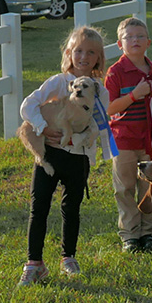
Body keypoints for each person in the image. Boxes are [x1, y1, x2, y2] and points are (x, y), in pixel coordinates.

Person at [17, 26, 110, 286]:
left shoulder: (100, 91)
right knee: (39, 207)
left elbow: (100, 124)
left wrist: (80, 141)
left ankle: (68, 257)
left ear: (98, 58)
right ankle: (34, 263)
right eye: (78, 51)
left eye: (90, 52)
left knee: (71, 208)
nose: (83, 57)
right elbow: (28, 105)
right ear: (69, 53)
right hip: (49, 154)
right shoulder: (58, 82)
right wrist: (42, 128)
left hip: (78, 158)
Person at [106, 18, 152, 253]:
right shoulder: (115, 72)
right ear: (119, 44)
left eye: (140, 36)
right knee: (125, 188)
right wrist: (134, 95)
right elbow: (110, 108)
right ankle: (130, 235)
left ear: (148, 42)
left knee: (149, 187)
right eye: (129, 37)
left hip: (151, 139)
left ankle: (147, 233)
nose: (135, 40)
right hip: (123, 140)